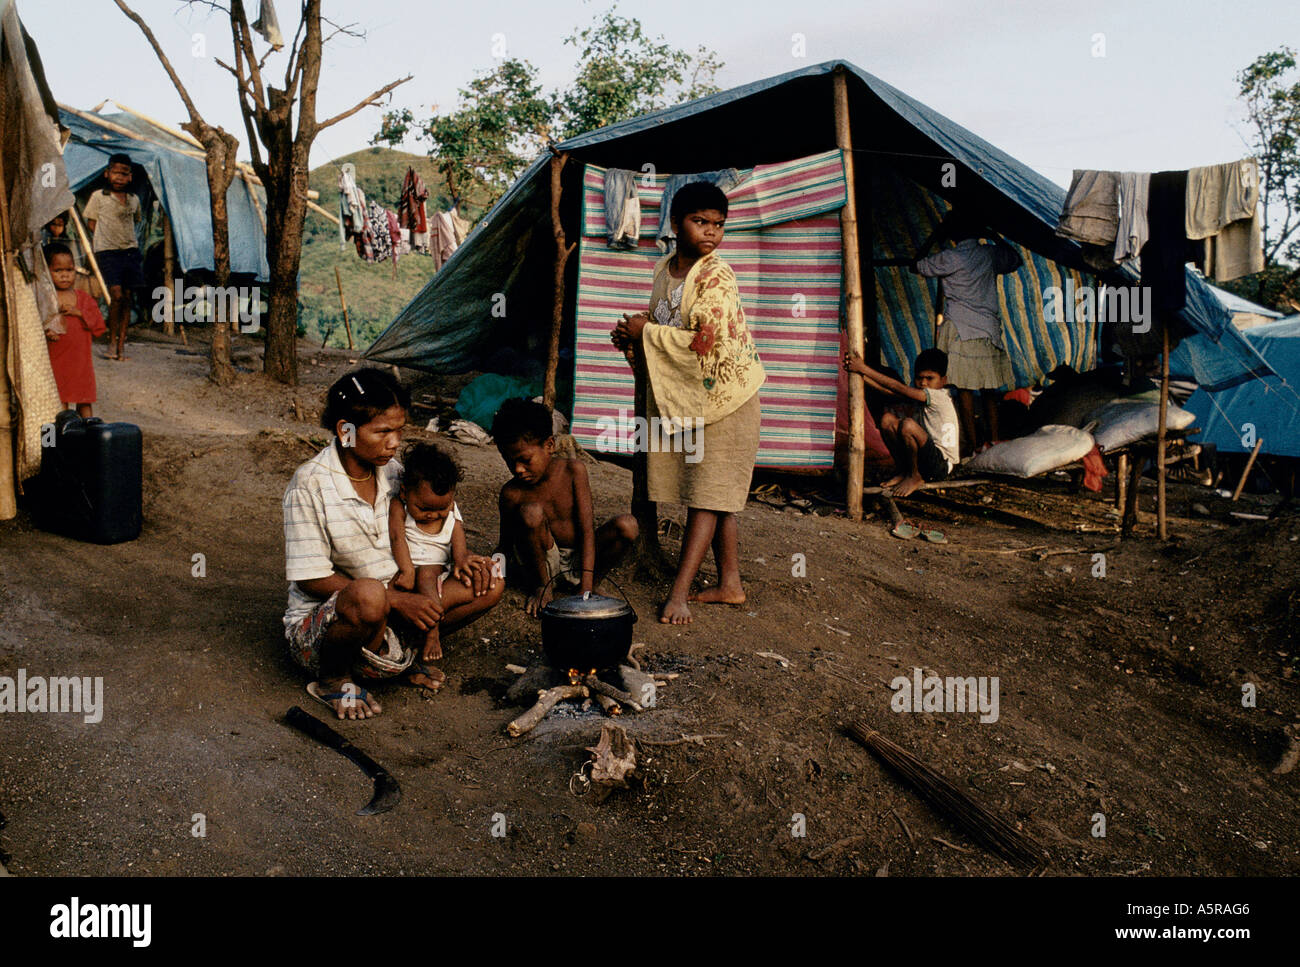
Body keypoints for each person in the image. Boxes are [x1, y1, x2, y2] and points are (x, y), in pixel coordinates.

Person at [282, 368, 499, 720]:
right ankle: (334, 677)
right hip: (334, 620)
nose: (395, 442)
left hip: (395, 608)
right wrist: (396, 600)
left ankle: (398, 658)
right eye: (383, 431)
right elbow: (310, 577)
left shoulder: (398, 473)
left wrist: (465, 557)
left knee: (491, 580)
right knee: (369, 596)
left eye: (399, 430)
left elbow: (443, 515)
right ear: (346, 431)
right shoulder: (310, 484)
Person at [611, 181, 765, 625]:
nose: (711, 233)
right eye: (701, 222)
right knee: (717, 494)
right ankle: (730, 583)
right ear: (676, 223)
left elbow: (705, 342)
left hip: (727, 399)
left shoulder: (718, 275)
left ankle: (678, 594)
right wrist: (632, 336)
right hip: (695, 398)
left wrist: (647, 334)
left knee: (709, 496)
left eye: (719, 225)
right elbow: (662, 322)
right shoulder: (664, 269)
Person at [492, 398, 638, 617]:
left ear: (549, 445)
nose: (518, 469)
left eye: (525, 460)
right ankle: (543, 586)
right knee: (531, 512)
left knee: (628, 525)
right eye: (509, 461)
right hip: (540, 564)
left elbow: (587, 530)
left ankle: (590, 584)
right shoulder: (512, 493)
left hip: (579, 561)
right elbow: (504, 545)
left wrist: (586, 585)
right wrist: (491, 573)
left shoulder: (573, 471)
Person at [387, 442, 502, 675]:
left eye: (442, 508)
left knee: (489, 576)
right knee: (426, 575)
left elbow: (457, 532)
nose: (433, 515)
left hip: (441, 568)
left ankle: (421, 634)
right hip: (414, 568)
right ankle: (431, 633)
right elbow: (397, 537)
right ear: (404, 492)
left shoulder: (448, 508)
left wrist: (461, 559)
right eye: (424, 509)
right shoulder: (399, 506)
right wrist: (407, 569)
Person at [912, 210, 1022, 454]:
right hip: (987, 329)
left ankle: (972, 447)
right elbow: (1016, 260)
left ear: (951, 233)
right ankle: (993, 443)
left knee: (963, 390)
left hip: (961, 329)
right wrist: (994, 236)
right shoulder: (989, 254)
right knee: (989, 391)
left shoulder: (950, 257)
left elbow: (915, 265)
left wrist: (933, 236)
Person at [844, 348, 959, 498]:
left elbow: (897, 387)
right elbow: (892, 392)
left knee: (908, 425)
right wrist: (860, 374)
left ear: (943, 381)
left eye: (930, 378)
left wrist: (863, 368)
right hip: (926, 458)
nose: (923, 383)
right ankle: (904, 471)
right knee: (887, 420)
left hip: (941, 465)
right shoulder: (922, 395)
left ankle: (914, 475)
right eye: (919, 378)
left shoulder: (939, 395)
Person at [83, 154, 143, 361]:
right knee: (116, 295)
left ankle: (121, 346)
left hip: (130, 252)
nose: (119, 177)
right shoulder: (99, 196)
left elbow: (135, 221)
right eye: (115, 172)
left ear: (130, 177)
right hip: (107, 252)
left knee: (127, 297)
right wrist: (104, 240)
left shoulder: (134, 200)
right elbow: (91, 224)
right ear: (107, 174)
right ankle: (111, 342)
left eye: (124, 174)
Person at [43, 243, 106, 418]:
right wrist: (47, 332)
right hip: (57, 361)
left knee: (84, 401)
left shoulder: (83, 299)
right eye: (58, 270)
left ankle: (89, 436)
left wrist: (78, 312)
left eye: (69, 270)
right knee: (59, 403)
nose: (65, 275)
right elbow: (37, 324)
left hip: (80, 363)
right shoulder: (46, 299)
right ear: (47, 272)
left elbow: (99, 326)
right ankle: (63, 439)